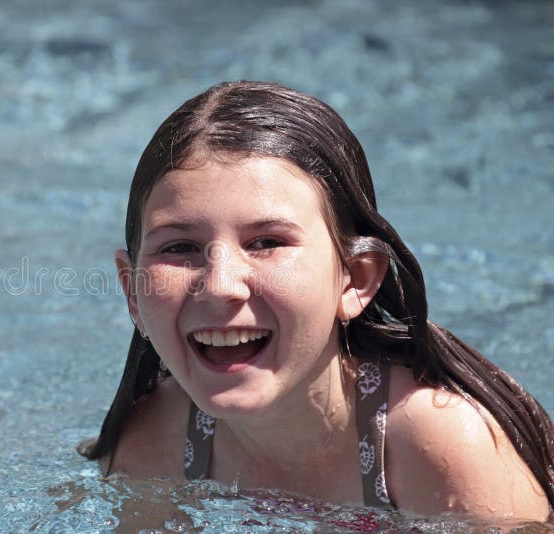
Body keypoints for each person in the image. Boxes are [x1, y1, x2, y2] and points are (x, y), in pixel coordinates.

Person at [78, 81, 554, 521]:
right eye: (179, 247)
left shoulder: (441, 444)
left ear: (355, 280)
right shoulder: (156, 446)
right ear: (133, 291)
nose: (220, 284)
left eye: (266, 242)